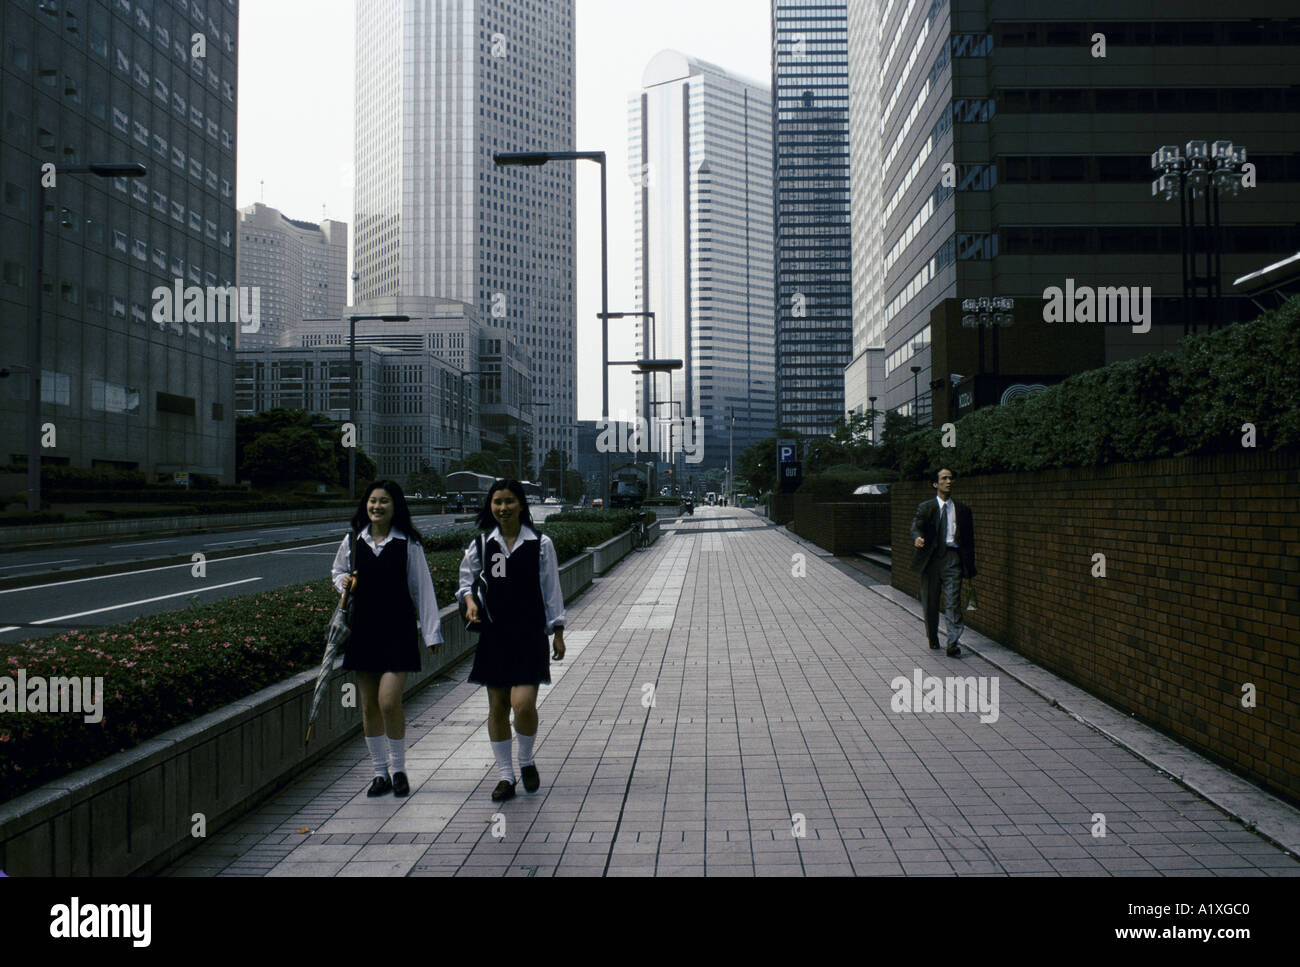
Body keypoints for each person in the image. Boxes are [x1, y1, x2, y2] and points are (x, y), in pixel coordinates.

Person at [331, 480, 443, 798]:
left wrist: (431, 633)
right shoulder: (354, 540)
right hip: (363, 630)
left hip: (398, 630)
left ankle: (398, 770)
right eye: (372, 501)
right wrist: (344, 582)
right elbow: (337, 571)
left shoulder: (408, 543)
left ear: (395, 507)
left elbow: (423, 589)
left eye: (384, 501)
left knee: (389, 702)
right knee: (368, 706)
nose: (376, 506)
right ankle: (378, 774)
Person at [457, 479, 566, 802]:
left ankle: (526, 758)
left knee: (523, 704)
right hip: (495, 634)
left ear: (521, 504)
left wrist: (558, 632)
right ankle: (506, 776)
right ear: (490, 506)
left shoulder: (540, 543)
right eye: (496, 502)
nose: (502, 508)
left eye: (509, 501)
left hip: (530, 633)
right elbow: (466, 581)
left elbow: (552, 589)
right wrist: (470, 602)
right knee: (498, 706)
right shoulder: (481, 544)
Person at [909, 468, 977, 657]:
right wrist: (917, 538)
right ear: (935, 484)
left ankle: (953, 642)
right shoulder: (926, 507)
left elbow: (969, 541)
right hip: (931, 561)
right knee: (930, 603)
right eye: (944, 478)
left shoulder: (963, 510)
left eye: (950, 478)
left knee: (953, 601)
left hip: (953, 559)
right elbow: (916, 525)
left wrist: (970, 568)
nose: (948, 481)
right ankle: (933, 637)